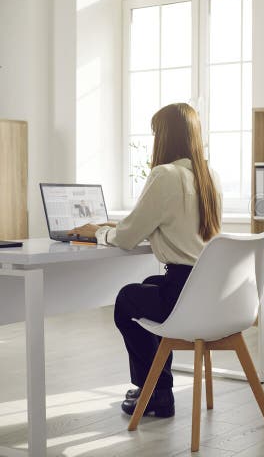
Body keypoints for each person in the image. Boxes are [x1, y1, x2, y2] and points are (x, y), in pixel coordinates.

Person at [69, 103, 221, 418]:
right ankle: (155, 389)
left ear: (164, 137)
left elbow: (126, 238)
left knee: (127, 300)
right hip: (209, 293)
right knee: (150, 286)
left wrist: (99, 233)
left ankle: (156, 391)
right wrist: (114, 227)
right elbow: (169, 223)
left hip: (182, 293)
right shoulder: (209, 176)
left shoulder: (165, 174)